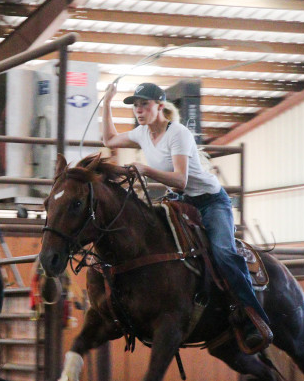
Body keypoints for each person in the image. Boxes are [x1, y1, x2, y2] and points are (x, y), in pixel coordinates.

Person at [101, 80, 272, 353]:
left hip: (210, 202)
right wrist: (107, 103)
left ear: (159, 106)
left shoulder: (177, 133)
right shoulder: (142, 133)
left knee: (223, 252)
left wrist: (144, 169)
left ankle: (254, 317)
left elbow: (180, 180)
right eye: (135, 105)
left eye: (144, 104)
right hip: (182, 200)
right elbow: (109, 139)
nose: (138, 110)